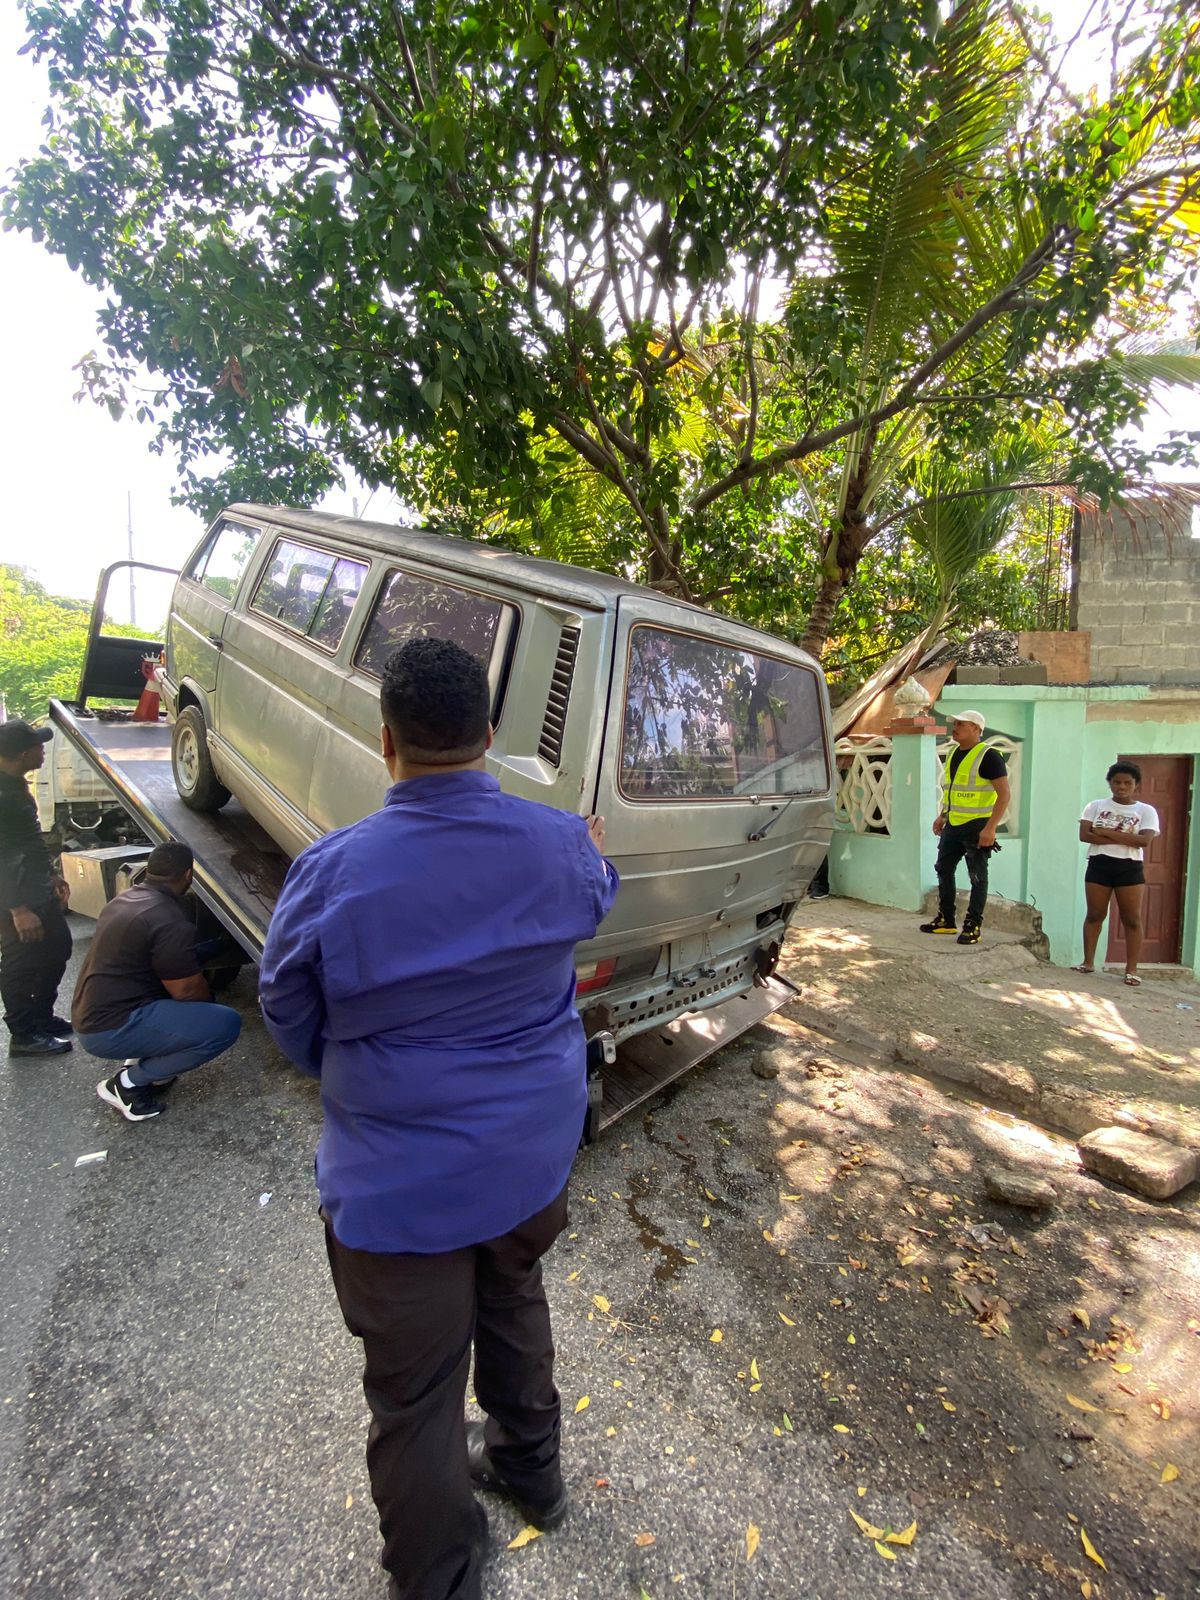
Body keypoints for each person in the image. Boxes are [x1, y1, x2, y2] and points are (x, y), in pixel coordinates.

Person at [259, 637, 618, 1600]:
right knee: (512, 1300)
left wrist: (357, 1075)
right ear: (489, 738)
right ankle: (534, 1476)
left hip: (398, 1180)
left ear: (386, 742)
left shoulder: (334, 870)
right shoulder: (559, 847)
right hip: (529, 1154)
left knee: (416, 1399)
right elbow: (595, 899)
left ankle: (439, 1577)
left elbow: (289, 1009)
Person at [72, 840, 242, 1121]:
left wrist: (217, 947)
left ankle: (144, 1058)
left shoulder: (128, 900)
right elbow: (187, 991)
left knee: (191, 1009)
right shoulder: (169, 919)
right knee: (224, 1024)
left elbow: (165, 958)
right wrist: (205, 1011)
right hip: (110, 1028)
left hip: (92, 1014)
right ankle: (127, 1085)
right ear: (189, 875)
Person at [0, 719, 73, 1057]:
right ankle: (24, 1034)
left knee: (57, 947)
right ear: (24, 752)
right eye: (40, 747)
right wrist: (17, 908)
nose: (44, 751)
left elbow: (29, 842)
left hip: (35, 886)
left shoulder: (14, 786)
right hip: (15, 897)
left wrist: (51, 874)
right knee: (21, 962)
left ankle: (41, 1016)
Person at [919, 709, 1010, 946]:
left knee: (977, 877)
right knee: (943, 868)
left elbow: (1004, 795)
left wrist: (990, 829)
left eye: (962, 724)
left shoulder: (989, 756)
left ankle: (973, 925)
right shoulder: (953, 753)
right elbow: (952, 790)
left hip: (977, 826)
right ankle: (946, 919)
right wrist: (943, 815)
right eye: (955, 723)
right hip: (954, 824)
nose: (955, 727)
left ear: (977, 729)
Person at [1074, 761, 1159, 986]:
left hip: (1129, 868)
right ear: (1110, 783)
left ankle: (1131, 970)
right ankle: (1088, 962)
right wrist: (1124, 837)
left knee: (1131, 918)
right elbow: (1085, 835)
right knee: (1095, 914)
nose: (1121, 787)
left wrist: (1107, 832)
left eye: (1127, 783)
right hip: (1100, 864)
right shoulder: (1095, 806)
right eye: (1117, 782)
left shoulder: (1145, 811)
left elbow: (1144, 841)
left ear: (1136, 785)